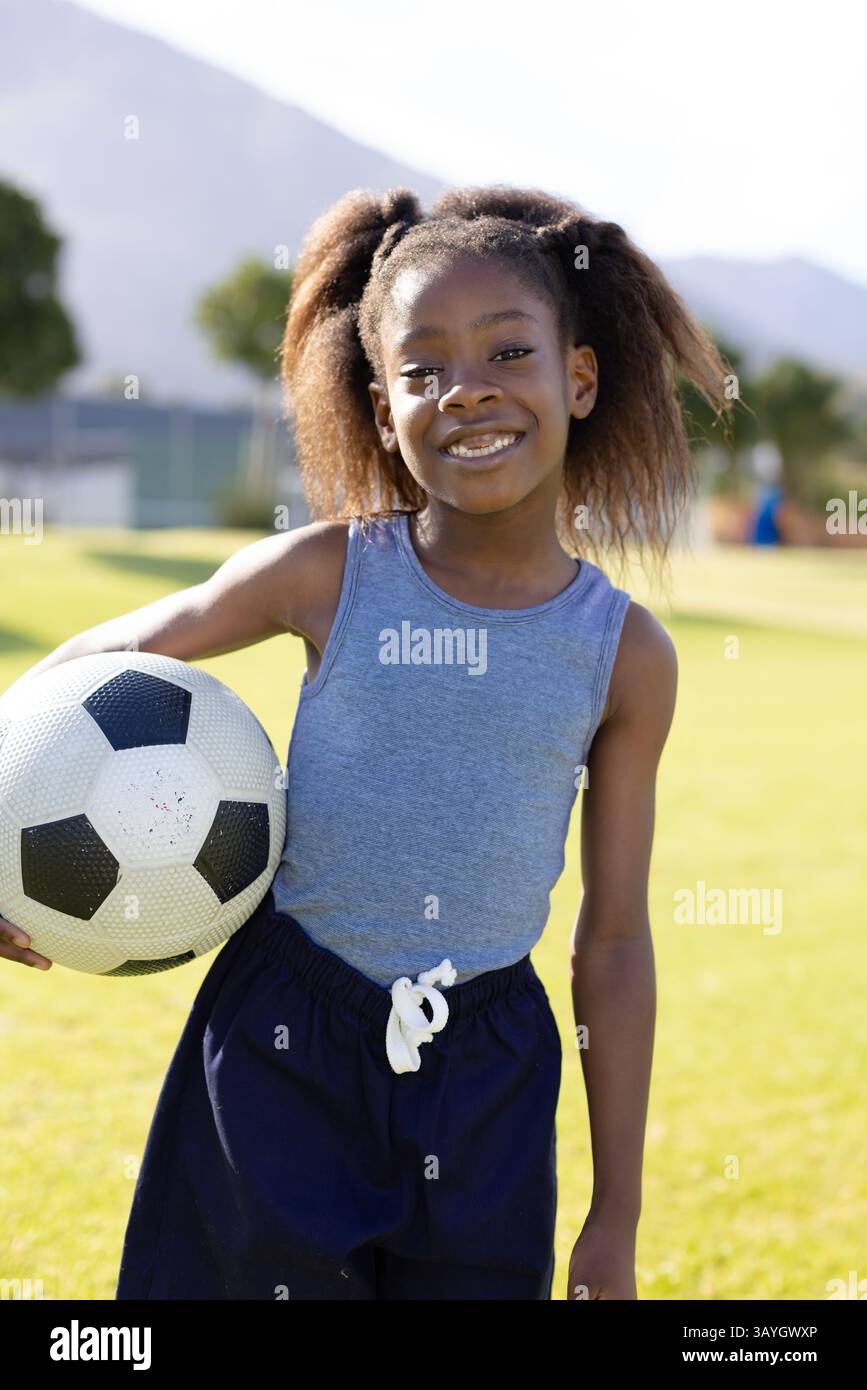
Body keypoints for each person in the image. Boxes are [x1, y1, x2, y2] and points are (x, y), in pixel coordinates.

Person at [0, 185, 732, 1300]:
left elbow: (616, 940)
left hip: (491, 1072)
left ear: (577, 378)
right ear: (382, 409)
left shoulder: (625, 654)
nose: (465, 391)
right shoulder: (328, 573)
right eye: (422, 368)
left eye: (508, 351)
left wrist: (615, 1214)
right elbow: (102, 656)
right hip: (281, 1041)